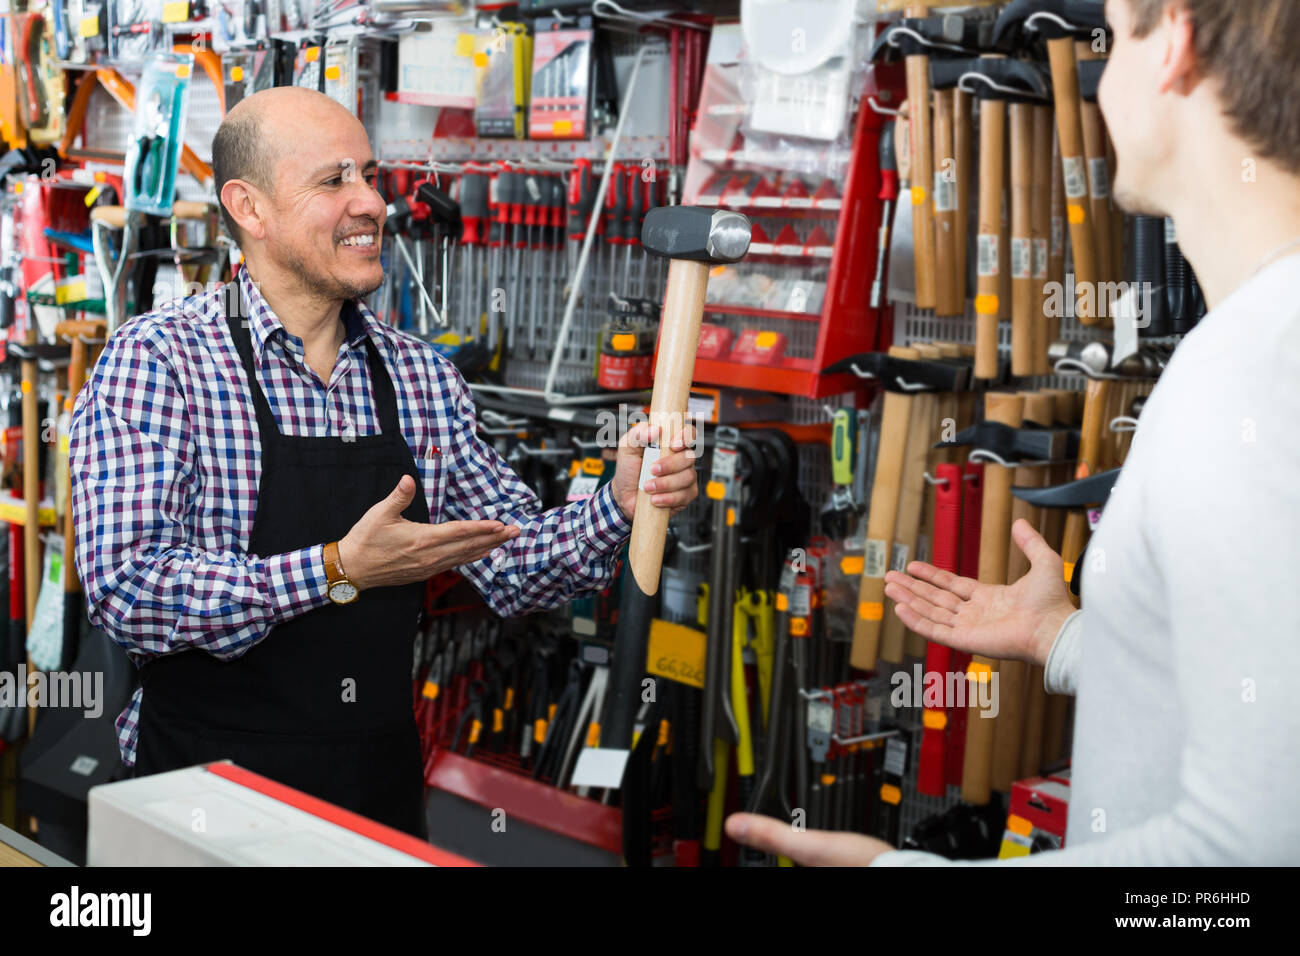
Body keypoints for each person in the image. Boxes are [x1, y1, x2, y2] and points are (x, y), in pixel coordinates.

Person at [728, 0, 1300, 865]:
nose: (1099, 83)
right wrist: (1067, 641)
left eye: (1114, 36)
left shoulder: (1252, 368)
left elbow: (1241, 862)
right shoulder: (1257, 343)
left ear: (1174, 41)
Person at [68, 87, 699, 837]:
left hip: (373, 799)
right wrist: (336, 569)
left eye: (370, 174)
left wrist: (618, 506)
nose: (373, 202)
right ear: (250, 207)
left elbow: (513, 563)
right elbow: (129, 589)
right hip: (199, 799)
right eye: (334, 181)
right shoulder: (160, 360)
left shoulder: (419, 376)